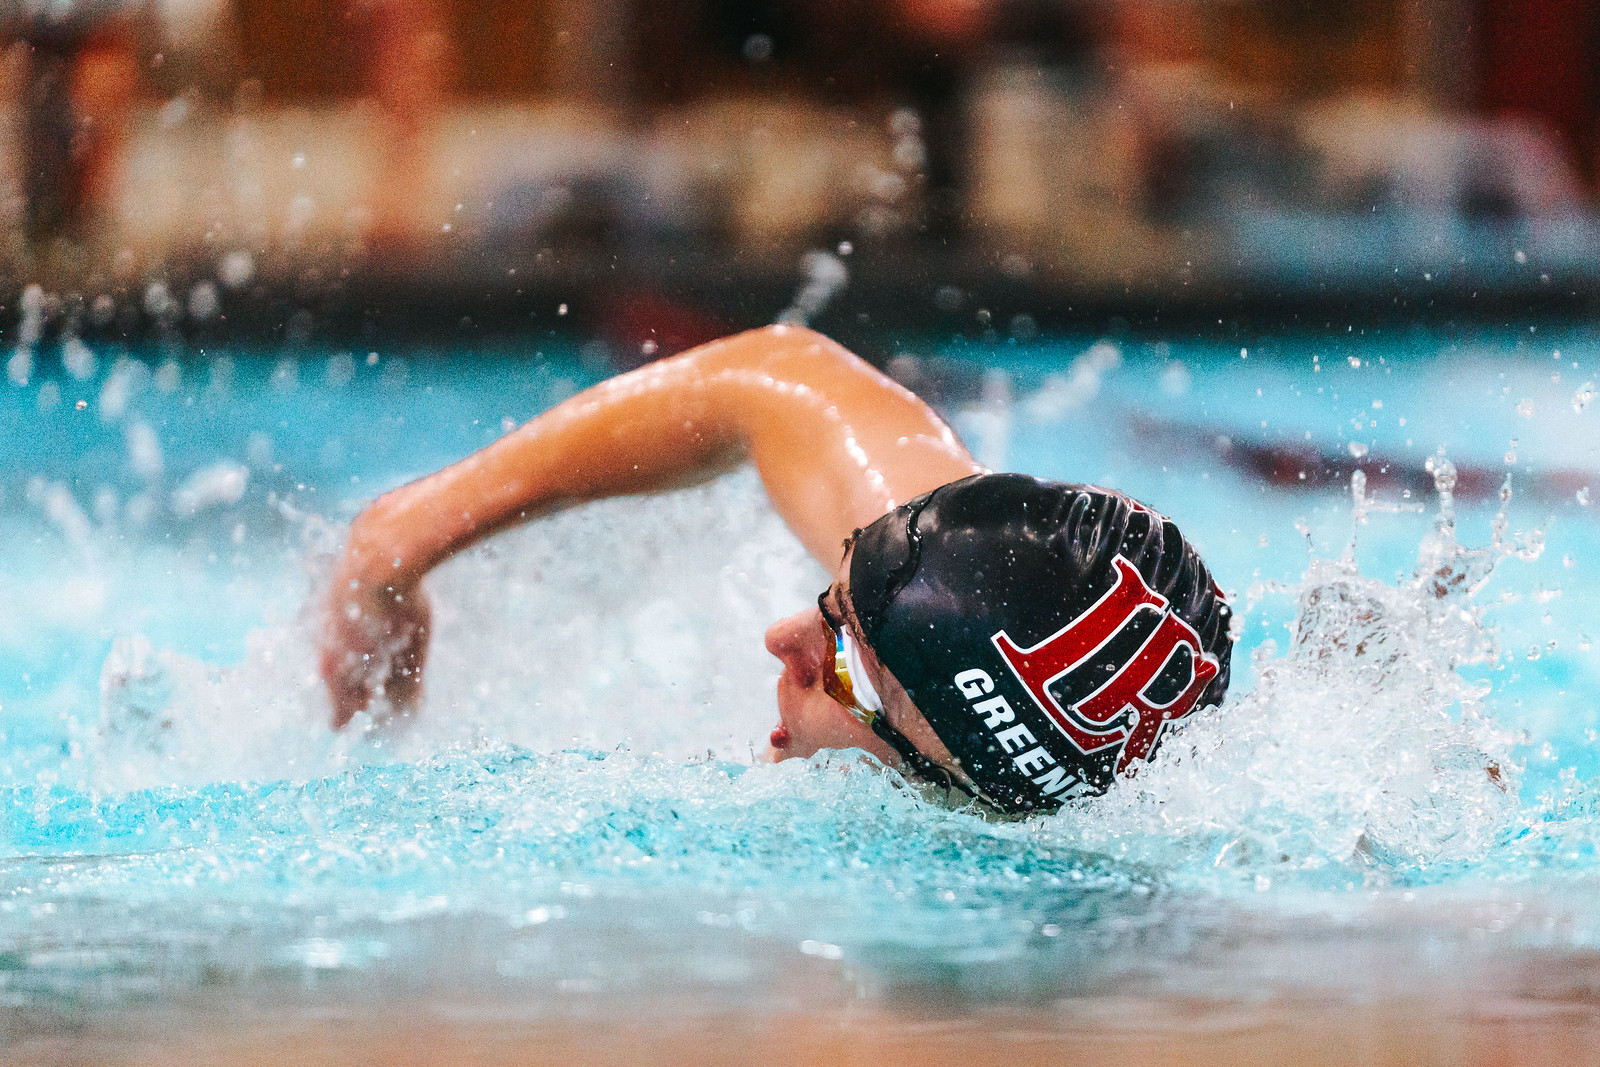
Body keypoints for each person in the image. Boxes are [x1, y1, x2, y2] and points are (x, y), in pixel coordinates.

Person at [317, 325, 1233, 815]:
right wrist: (398, 541)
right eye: (831, 602)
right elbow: (776, 377)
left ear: (959, 773)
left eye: (842, 660)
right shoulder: (942, 568)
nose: (782, 639)